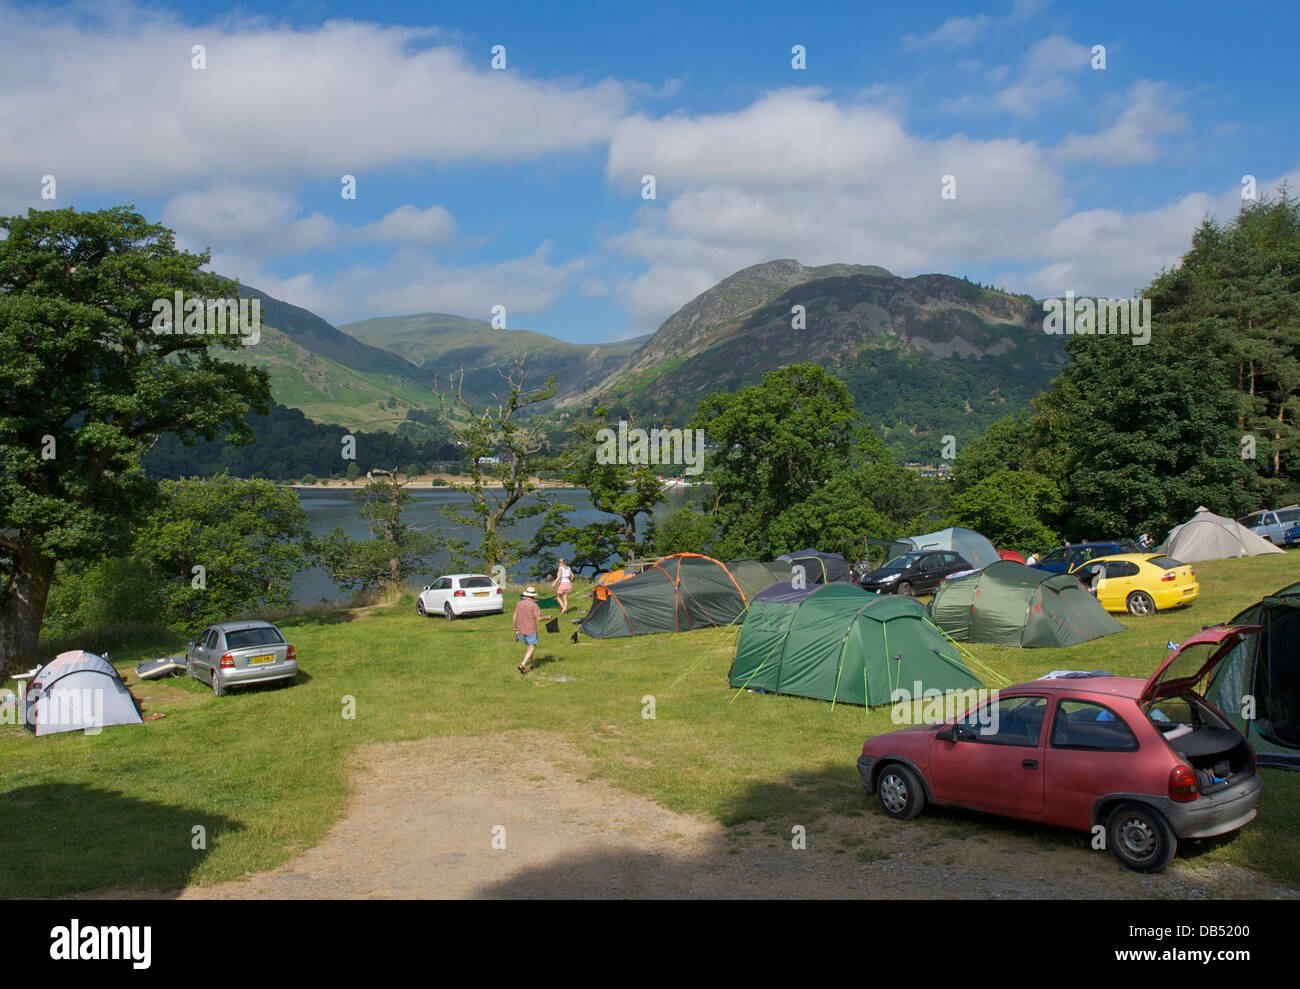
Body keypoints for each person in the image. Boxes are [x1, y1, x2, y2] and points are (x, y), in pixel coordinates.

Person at [513, 586, 543, 674]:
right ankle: (522, 664)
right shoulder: (534, 605)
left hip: (521, 629)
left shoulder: (519, 603)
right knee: (532, 647)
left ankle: (532, 663)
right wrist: (548, 617)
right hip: (531, 629)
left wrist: (514, 627)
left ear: (526, 595)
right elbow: (539, 618)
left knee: (528, 647)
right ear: (533, 596)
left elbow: (515, 615)